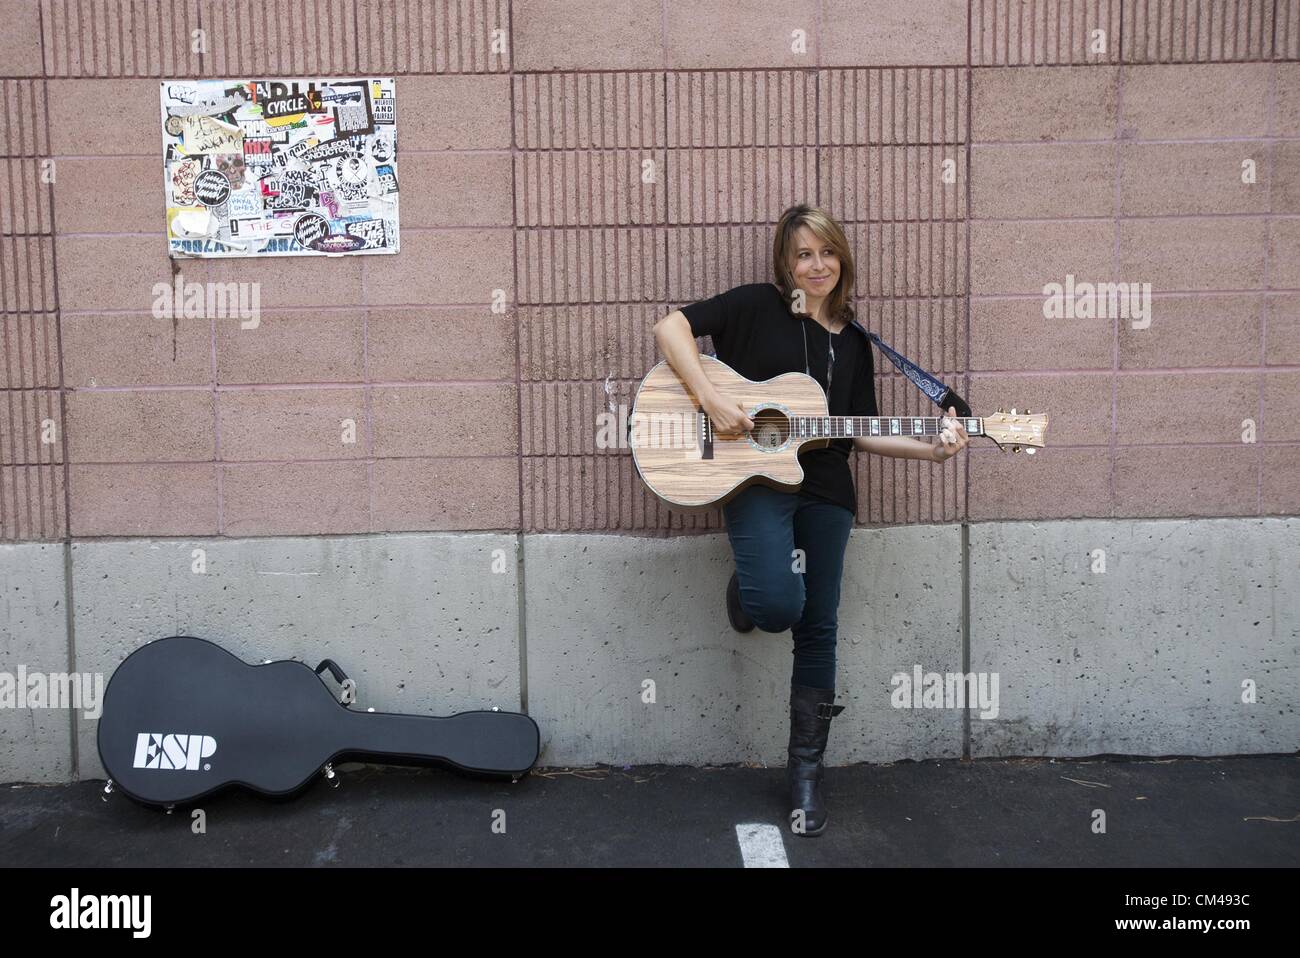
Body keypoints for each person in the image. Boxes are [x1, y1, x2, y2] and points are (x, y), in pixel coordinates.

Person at [652, 203, 970, 837]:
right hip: (752, 479)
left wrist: (935, 448)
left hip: (825, 488)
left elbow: (867, 430)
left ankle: (804, 774)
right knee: (775, 605)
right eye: (804, 254)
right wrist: (712, 399)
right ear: (785, 262)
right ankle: (750, 586)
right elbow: (670, 329)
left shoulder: (852, 342)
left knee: (818, 624)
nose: (817, 265)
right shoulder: (753, 307)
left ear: (842, 260)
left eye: (827, 252)